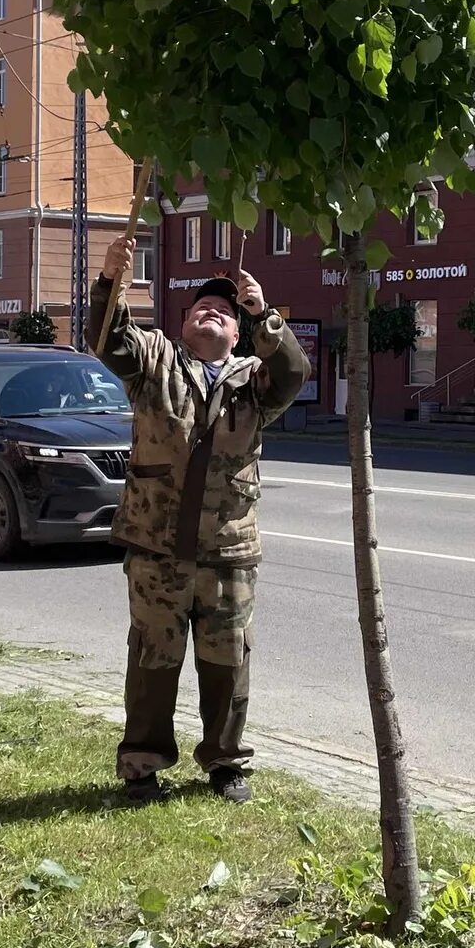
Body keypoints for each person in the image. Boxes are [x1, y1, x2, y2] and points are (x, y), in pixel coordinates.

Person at [89, 236, 307, 805]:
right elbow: (108, 338)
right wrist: (111, 280)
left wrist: (265, 313)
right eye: (201, 307)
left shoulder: (255, 382)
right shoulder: (154, 362)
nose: (212, 311)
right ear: (182, 322)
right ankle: (142, 766)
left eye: (226, 310)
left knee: (227, 662)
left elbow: (293, 372)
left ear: (238, 332)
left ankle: (225, 763)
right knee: (152, 660)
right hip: (156, 548)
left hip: (227, 551)